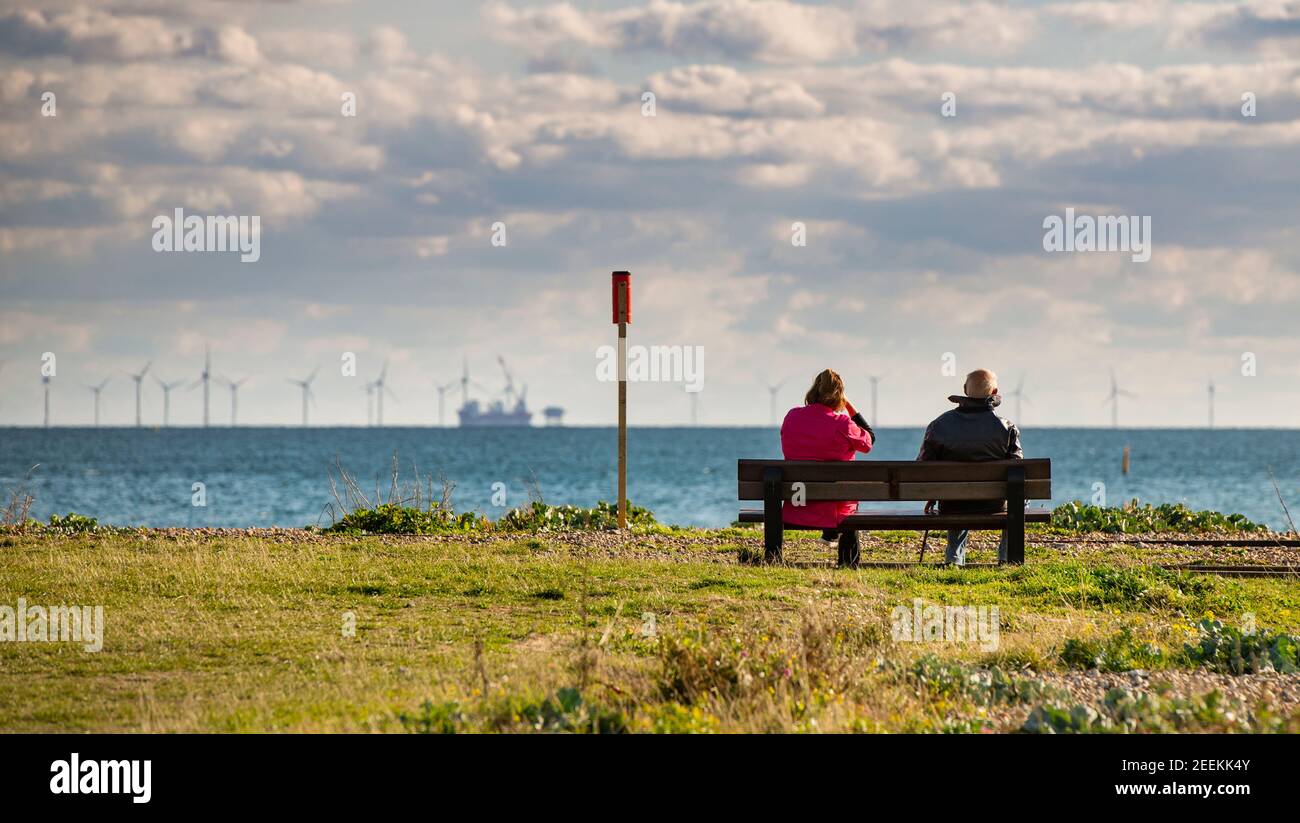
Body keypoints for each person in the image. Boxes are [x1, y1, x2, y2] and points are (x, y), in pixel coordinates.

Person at [917, 368, 1023, 565]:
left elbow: (922, 468)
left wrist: (932, 493)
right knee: (1018, 493)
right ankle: (1007, 557)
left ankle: (954, 559)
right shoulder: (1007, 428)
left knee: (958, 494)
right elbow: (1017, 468)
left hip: (952, 503)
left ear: (965, 390)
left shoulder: (939, 425)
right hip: (994, 504)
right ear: (994, 392)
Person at [781, 369, 876, 558]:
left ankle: (829, 532)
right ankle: (847, 561)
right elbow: (869, 440)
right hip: (836, 504)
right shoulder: (842, 423)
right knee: (848, 498)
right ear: (839, 396)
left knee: (833, 489)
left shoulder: (792, 416)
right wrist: (848, 405)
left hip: (798, 500)